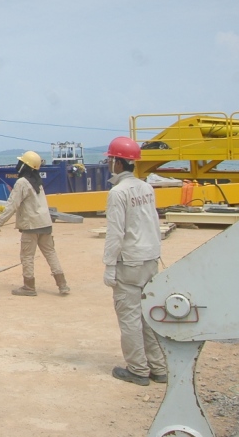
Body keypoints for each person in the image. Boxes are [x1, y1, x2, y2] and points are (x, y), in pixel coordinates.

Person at [101, 136, 166, 386]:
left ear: (118, 163)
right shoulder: (146, 188)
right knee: (149, 316)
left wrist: (109, 265)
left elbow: (115, 232)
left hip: (129, 264)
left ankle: (138, 369)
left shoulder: (117, 193)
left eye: (110, 160)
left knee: (129, 318)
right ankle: (158, 366)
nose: (109, 164)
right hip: (150, 260)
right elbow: (152, 222)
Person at [0, 151, 70, 296]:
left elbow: (12, 205)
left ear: (25, 166)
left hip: (31, 226)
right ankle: (62, 285)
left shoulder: (22, 182)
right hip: (45, 224)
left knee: (27, 256)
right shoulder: (38, 182)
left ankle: (29, 286)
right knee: (50, 253)